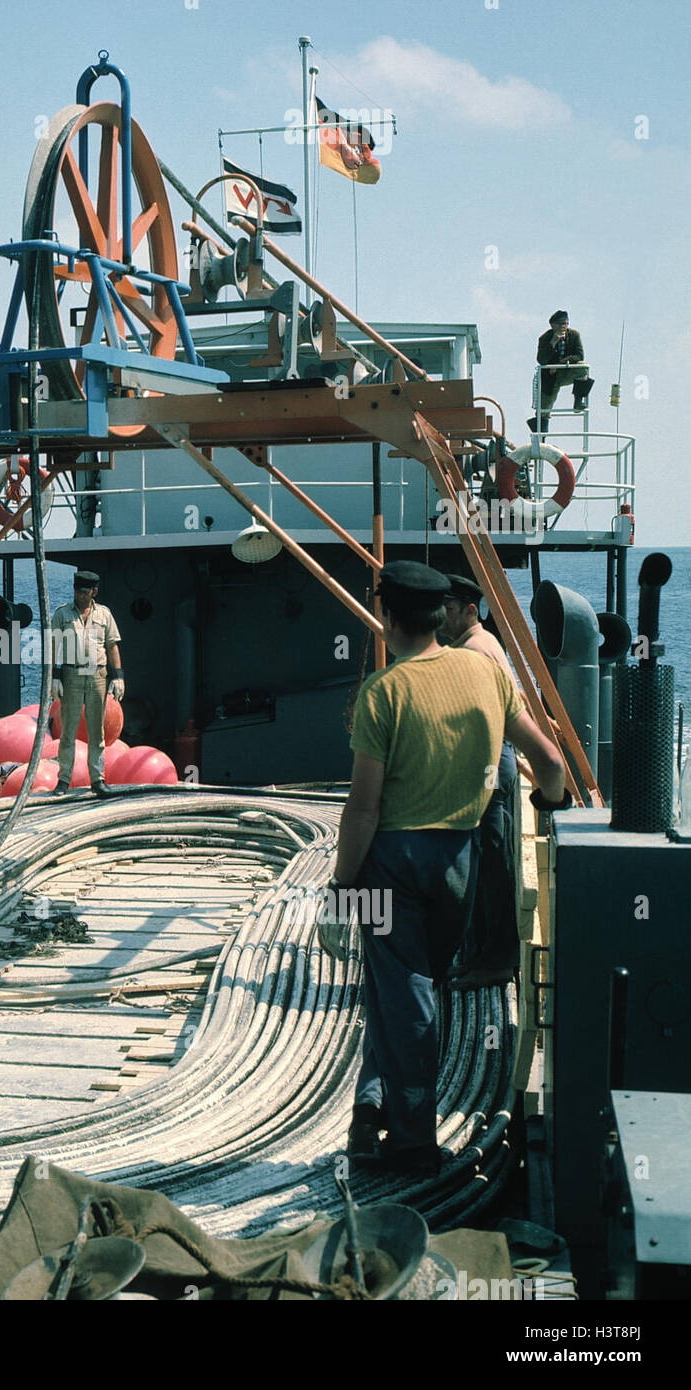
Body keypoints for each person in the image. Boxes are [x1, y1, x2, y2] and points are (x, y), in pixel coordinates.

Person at [327, 561, 566, 1177]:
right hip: (461, 859)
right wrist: (552, 799)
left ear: (387, 616)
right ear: (441, 615)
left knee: (402, 998)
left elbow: (363, 809)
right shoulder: (486, 671)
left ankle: (410, 1143)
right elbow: (547, 758)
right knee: (409, 988)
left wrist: (340, 888)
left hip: (390, 868)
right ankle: (373, 1103)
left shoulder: (384, 692)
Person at [441, 574, 520, 989]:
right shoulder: (479, 644)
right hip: (487, 764)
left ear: (471, 610)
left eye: (450, 611)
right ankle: (478, 956)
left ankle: (499, 960)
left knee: (493, 871)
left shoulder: (475, 650)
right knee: (481, 867)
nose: (444, 618)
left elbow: (489, 718)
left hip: (487, 767)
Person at [48, 570, 125, 796]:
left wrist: (118, 676)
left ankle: (97, 779)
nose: (80, 596)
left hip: (97, 676)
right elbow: (53, 646)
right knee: (68, 731)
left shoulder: (104, 614)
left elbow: (112, 646)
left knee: (97, 732)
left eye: (85, 592)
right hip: (71, 675)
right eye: (77, 591)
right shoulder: (62, 614)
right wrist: (54, 676)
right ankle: (63, 780)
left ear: (94, 591)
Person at [528, 310, 593, 433]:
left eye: (566, 323)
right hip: (549, 378)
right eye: (561, 323)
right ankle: (542, 440)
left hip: (565, 372)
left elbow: (579, 355)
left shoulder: (574, 335)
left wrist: (559, 365)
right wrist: (552, 343)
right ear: (553, 325)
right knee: (544, 411)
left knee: (582, 367)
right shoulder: (545, 338)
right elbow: (541, 360)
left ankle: (578, 401)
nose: (564, 326)